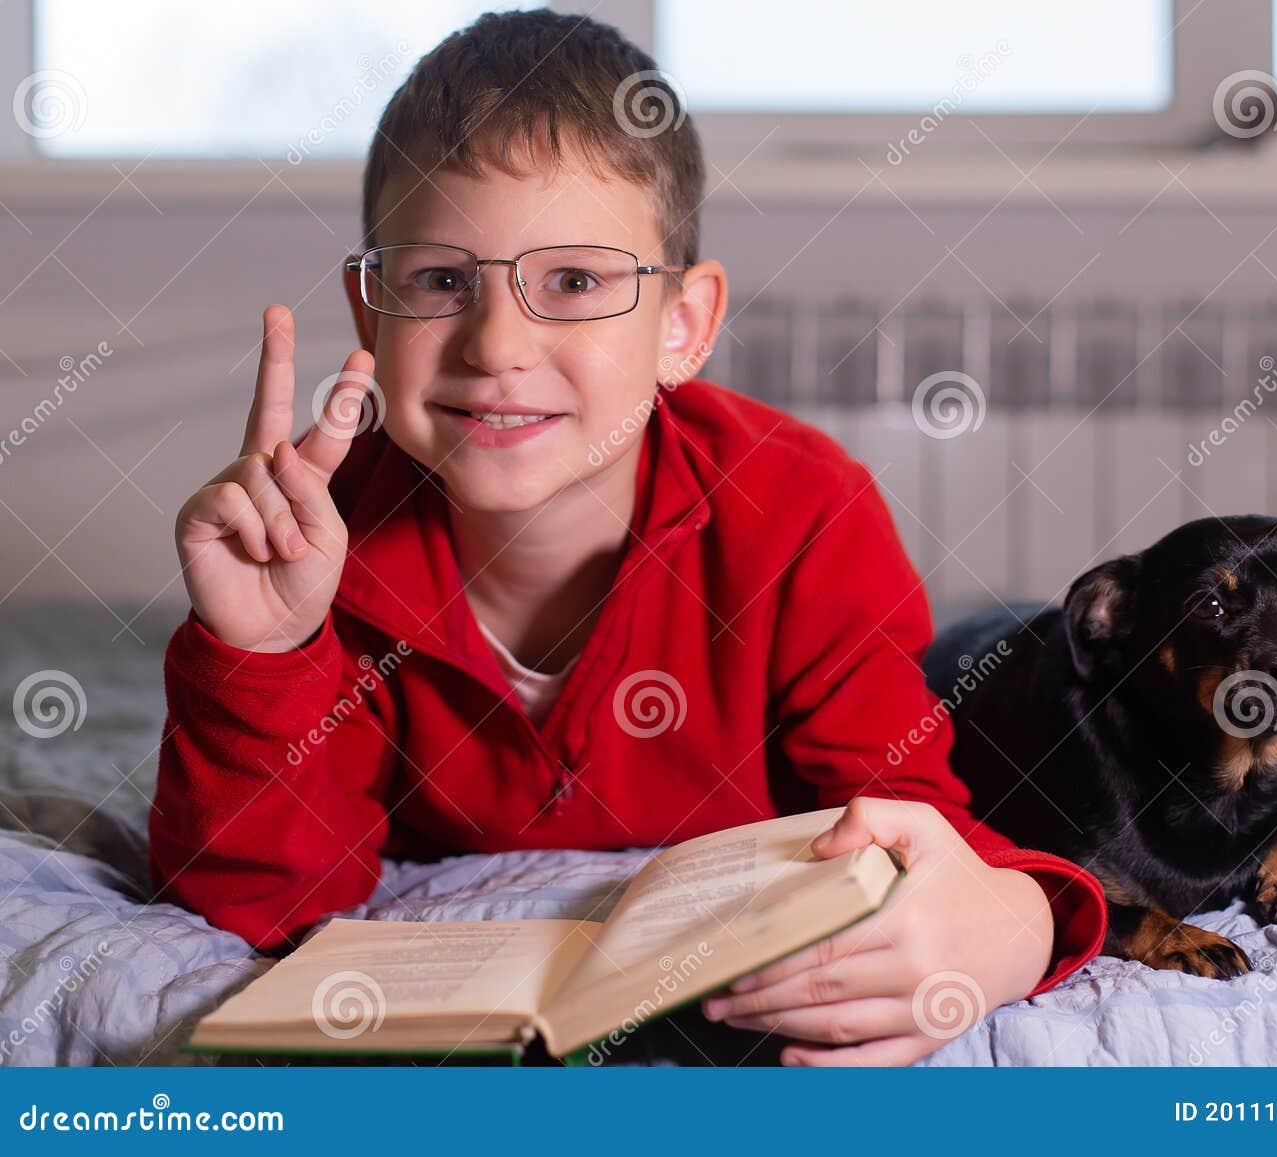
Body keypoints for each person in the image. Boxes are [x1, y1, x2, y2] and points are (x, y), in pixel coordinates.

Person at [151, 9, 1105, 1066]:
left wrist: (1018, 922)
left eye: (573, 281)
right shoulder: (320, 544)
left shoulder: (804, 515)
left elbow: (913, 820)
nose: (497, 344)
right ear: (371, 315)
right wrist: (264, 651)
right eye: (440, 281)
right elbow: (261, 901)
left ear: (683, 326)